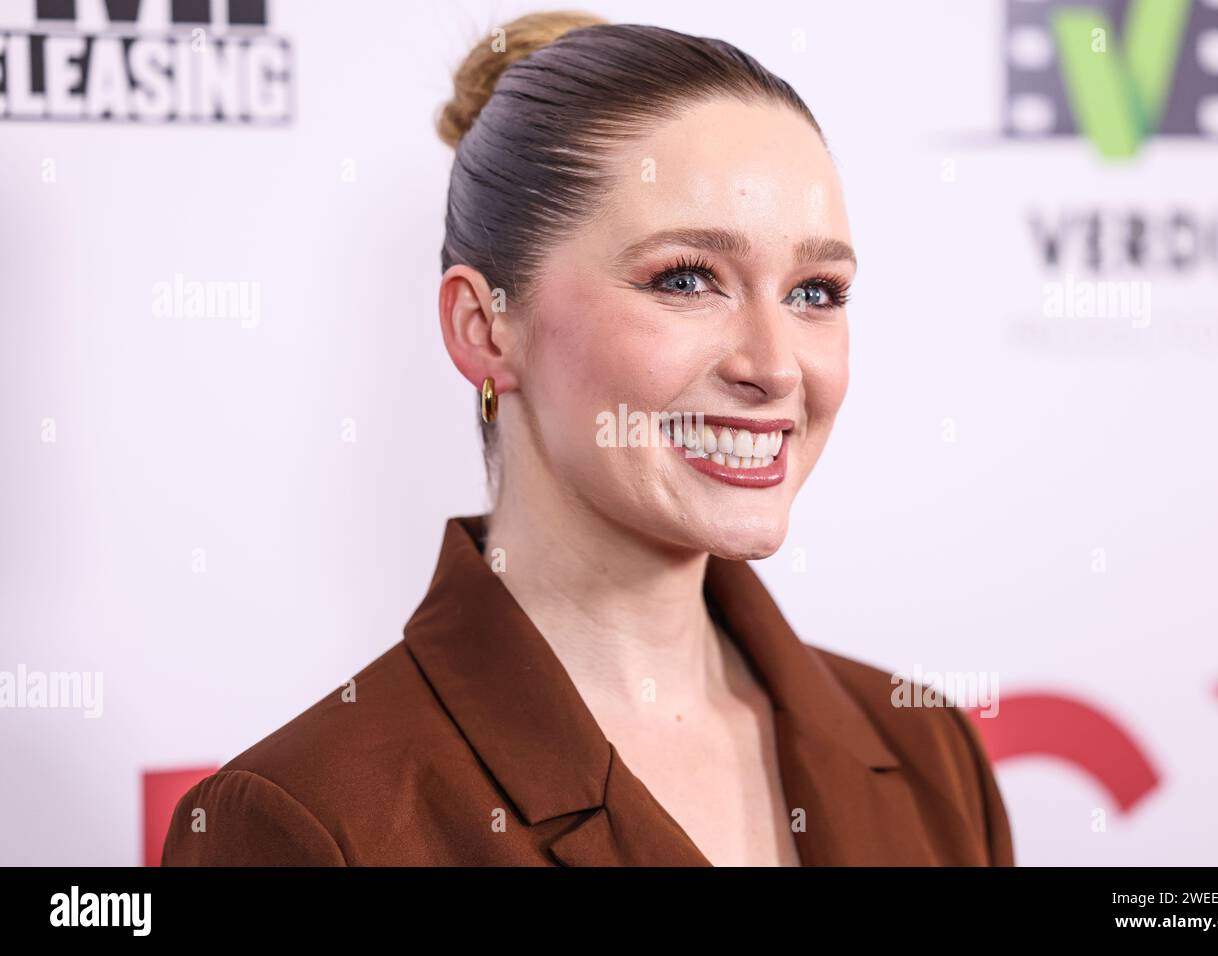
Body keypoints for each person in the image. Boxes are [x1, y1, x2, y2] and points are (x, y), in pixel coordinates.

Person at [162, 9, 1014, 867]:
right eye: (687, 279)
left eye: (817, 292)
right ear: (485, 327)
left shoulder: (930, 753)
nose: (777, 367)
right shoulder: (309, 820)